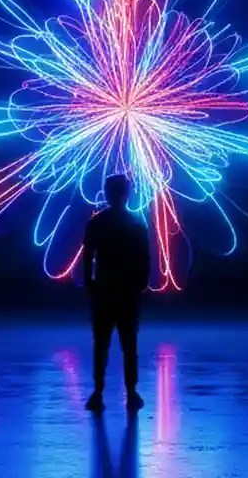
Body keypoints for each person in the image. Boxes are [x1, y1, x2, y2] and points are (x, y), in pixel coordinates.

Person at [82, 174, 150, 412]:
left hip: (104, 290)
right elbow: (145, 260)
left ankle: (98, 393)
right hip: (126, 293)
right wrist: (140, 285)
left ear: (108, 193)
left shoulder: (98, 223)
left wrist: (89, 283)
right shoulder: (135, 224)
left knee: (101, 343)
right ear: (127, 194)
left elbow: (87, 255)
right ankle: (131, 393)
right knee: (129, 345)